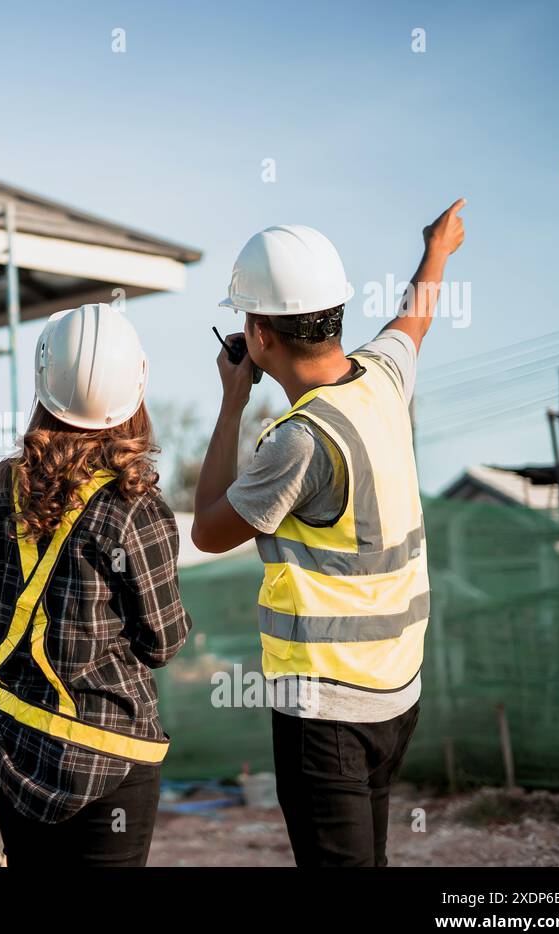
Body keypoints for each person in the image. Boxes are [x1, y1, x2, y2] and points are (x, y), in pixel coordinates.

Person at [191, 201, 467, 866]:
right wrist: (437, 249)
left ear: (258, 337)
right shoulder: (382, 378)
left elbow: (206, 529)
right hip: (397, 695)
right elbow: (416, 314)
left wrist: (232, 404)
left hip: (327, 714)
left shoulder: (300, 443)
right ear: (335, 314)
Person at [0, 302, 190, 867]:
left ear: (44, 383)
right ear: (134, 391)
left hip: (17, 746)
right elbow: (162, 643)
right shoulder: (136, 509)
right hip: (111, 754)